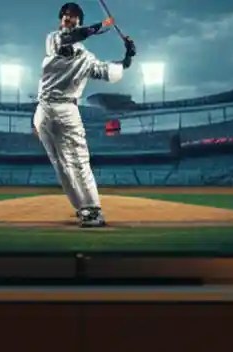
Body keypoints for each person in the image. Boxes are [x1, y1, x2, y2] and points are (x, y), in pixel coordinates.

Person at [34, 2, 136, 228]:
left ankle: (93, 209)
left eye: (72, 16)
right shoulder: (54, 39)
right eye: (65, 16)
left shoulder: (87, 57)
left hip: (67, 109)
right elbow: (70, 40)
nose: (67, 19)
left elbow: (107, 72)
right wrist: (101, 26)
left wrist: (127, 58)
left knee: (79, 160)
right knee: (60, 164)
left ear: (79, 20)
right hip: (43, 109)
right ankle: (83, 208)